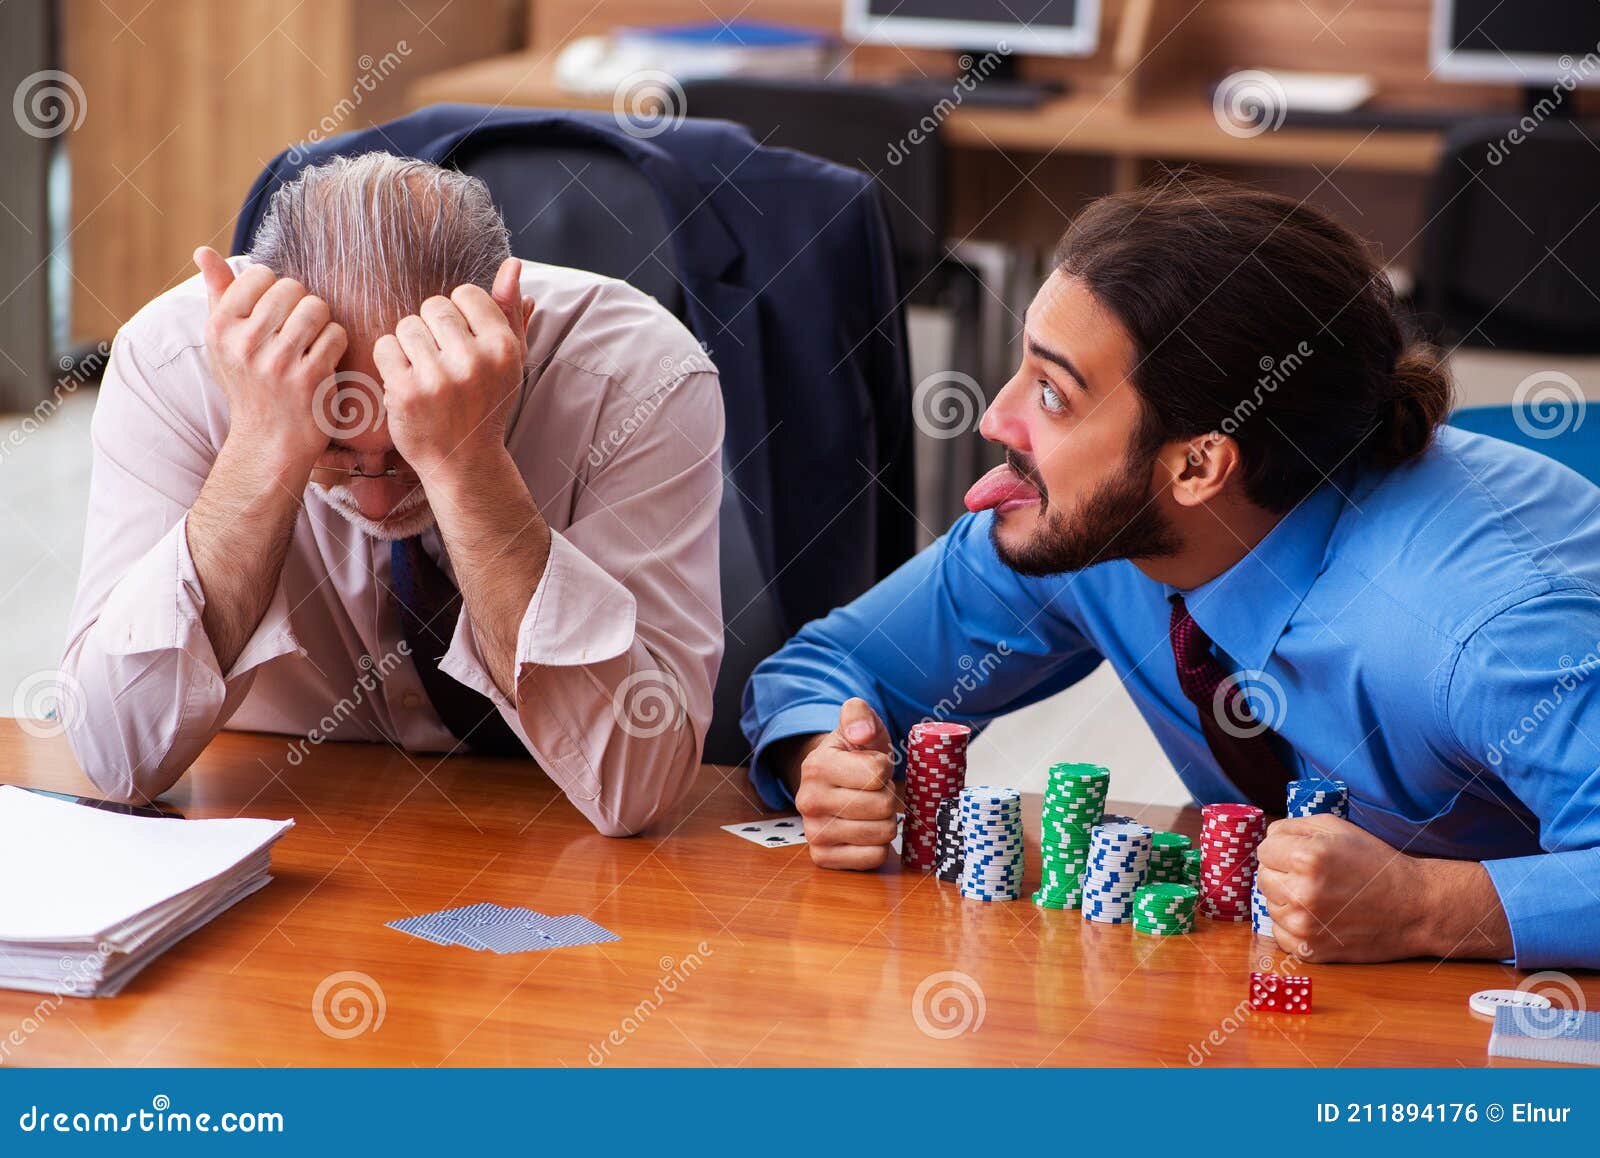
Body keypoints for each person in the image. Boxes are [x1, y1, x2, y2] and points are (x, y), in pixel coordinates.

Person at [743, 175, 1600, 969]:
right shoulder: (1096, 526)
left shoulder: (1484, 635)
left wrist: (1431, 907)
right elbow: (825, 669)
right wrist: (827, 756)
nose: (996, 415)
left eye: (1053, 395)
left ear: (1199, 466)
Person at [62, 152, 724, 836]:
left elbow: (636, 789)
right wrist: (262, 446)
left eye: (406, 452)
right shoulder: (173, 364)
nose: (377, 507)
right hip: (284, 828)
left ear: (512, 323)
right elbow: (118, 759)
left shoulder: (639, 376)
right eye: (335, 449)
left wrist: (468, 465)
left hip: (551, 844)